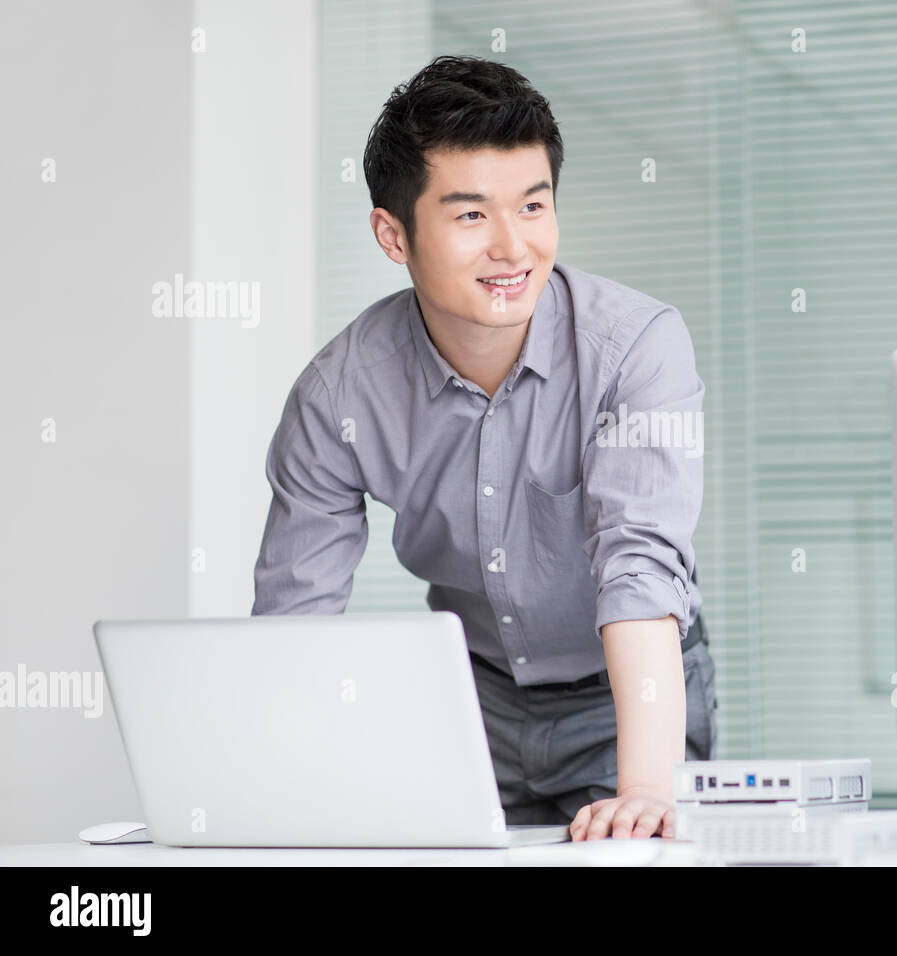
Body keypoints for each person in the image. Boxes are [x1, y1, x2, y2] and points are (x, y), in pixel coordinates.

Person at [251, 55, 716, 841]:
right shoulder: (340, 395)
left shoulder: (636, 348)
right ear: (392, 234)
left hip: (626, 695)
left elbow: (640, 568)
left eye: (533, 206)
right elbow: (296, 620)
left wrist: (645, 791)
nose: (512, 247)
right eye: (471, 216)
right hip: (472, 702)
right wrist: (276, 801)